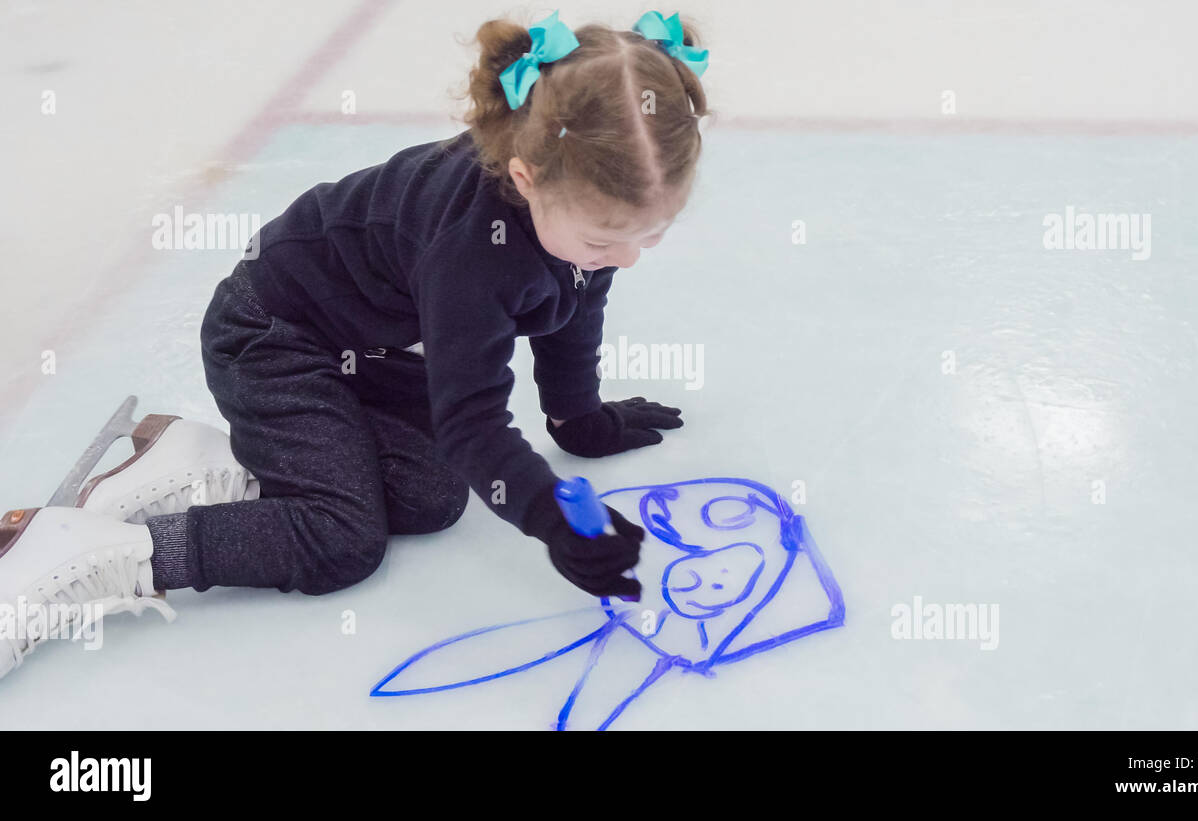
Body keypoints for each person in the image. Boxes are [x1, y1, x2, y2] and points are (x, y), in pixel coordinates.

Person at [0, 10, 709, 680]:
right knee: (343, 539)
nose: (626, 259)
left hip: (368, 348)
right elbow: (474, 424)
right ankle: (101, 551)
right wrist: (555, 519)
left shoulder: (563, 197)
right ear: (526, 182)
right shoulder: (475, 256)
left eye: (649, 236)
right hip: (272, 335)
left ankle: (205, 458)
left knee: (433, 497)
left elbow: (573, 297)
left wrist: (577, 418)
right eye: (603, 240)